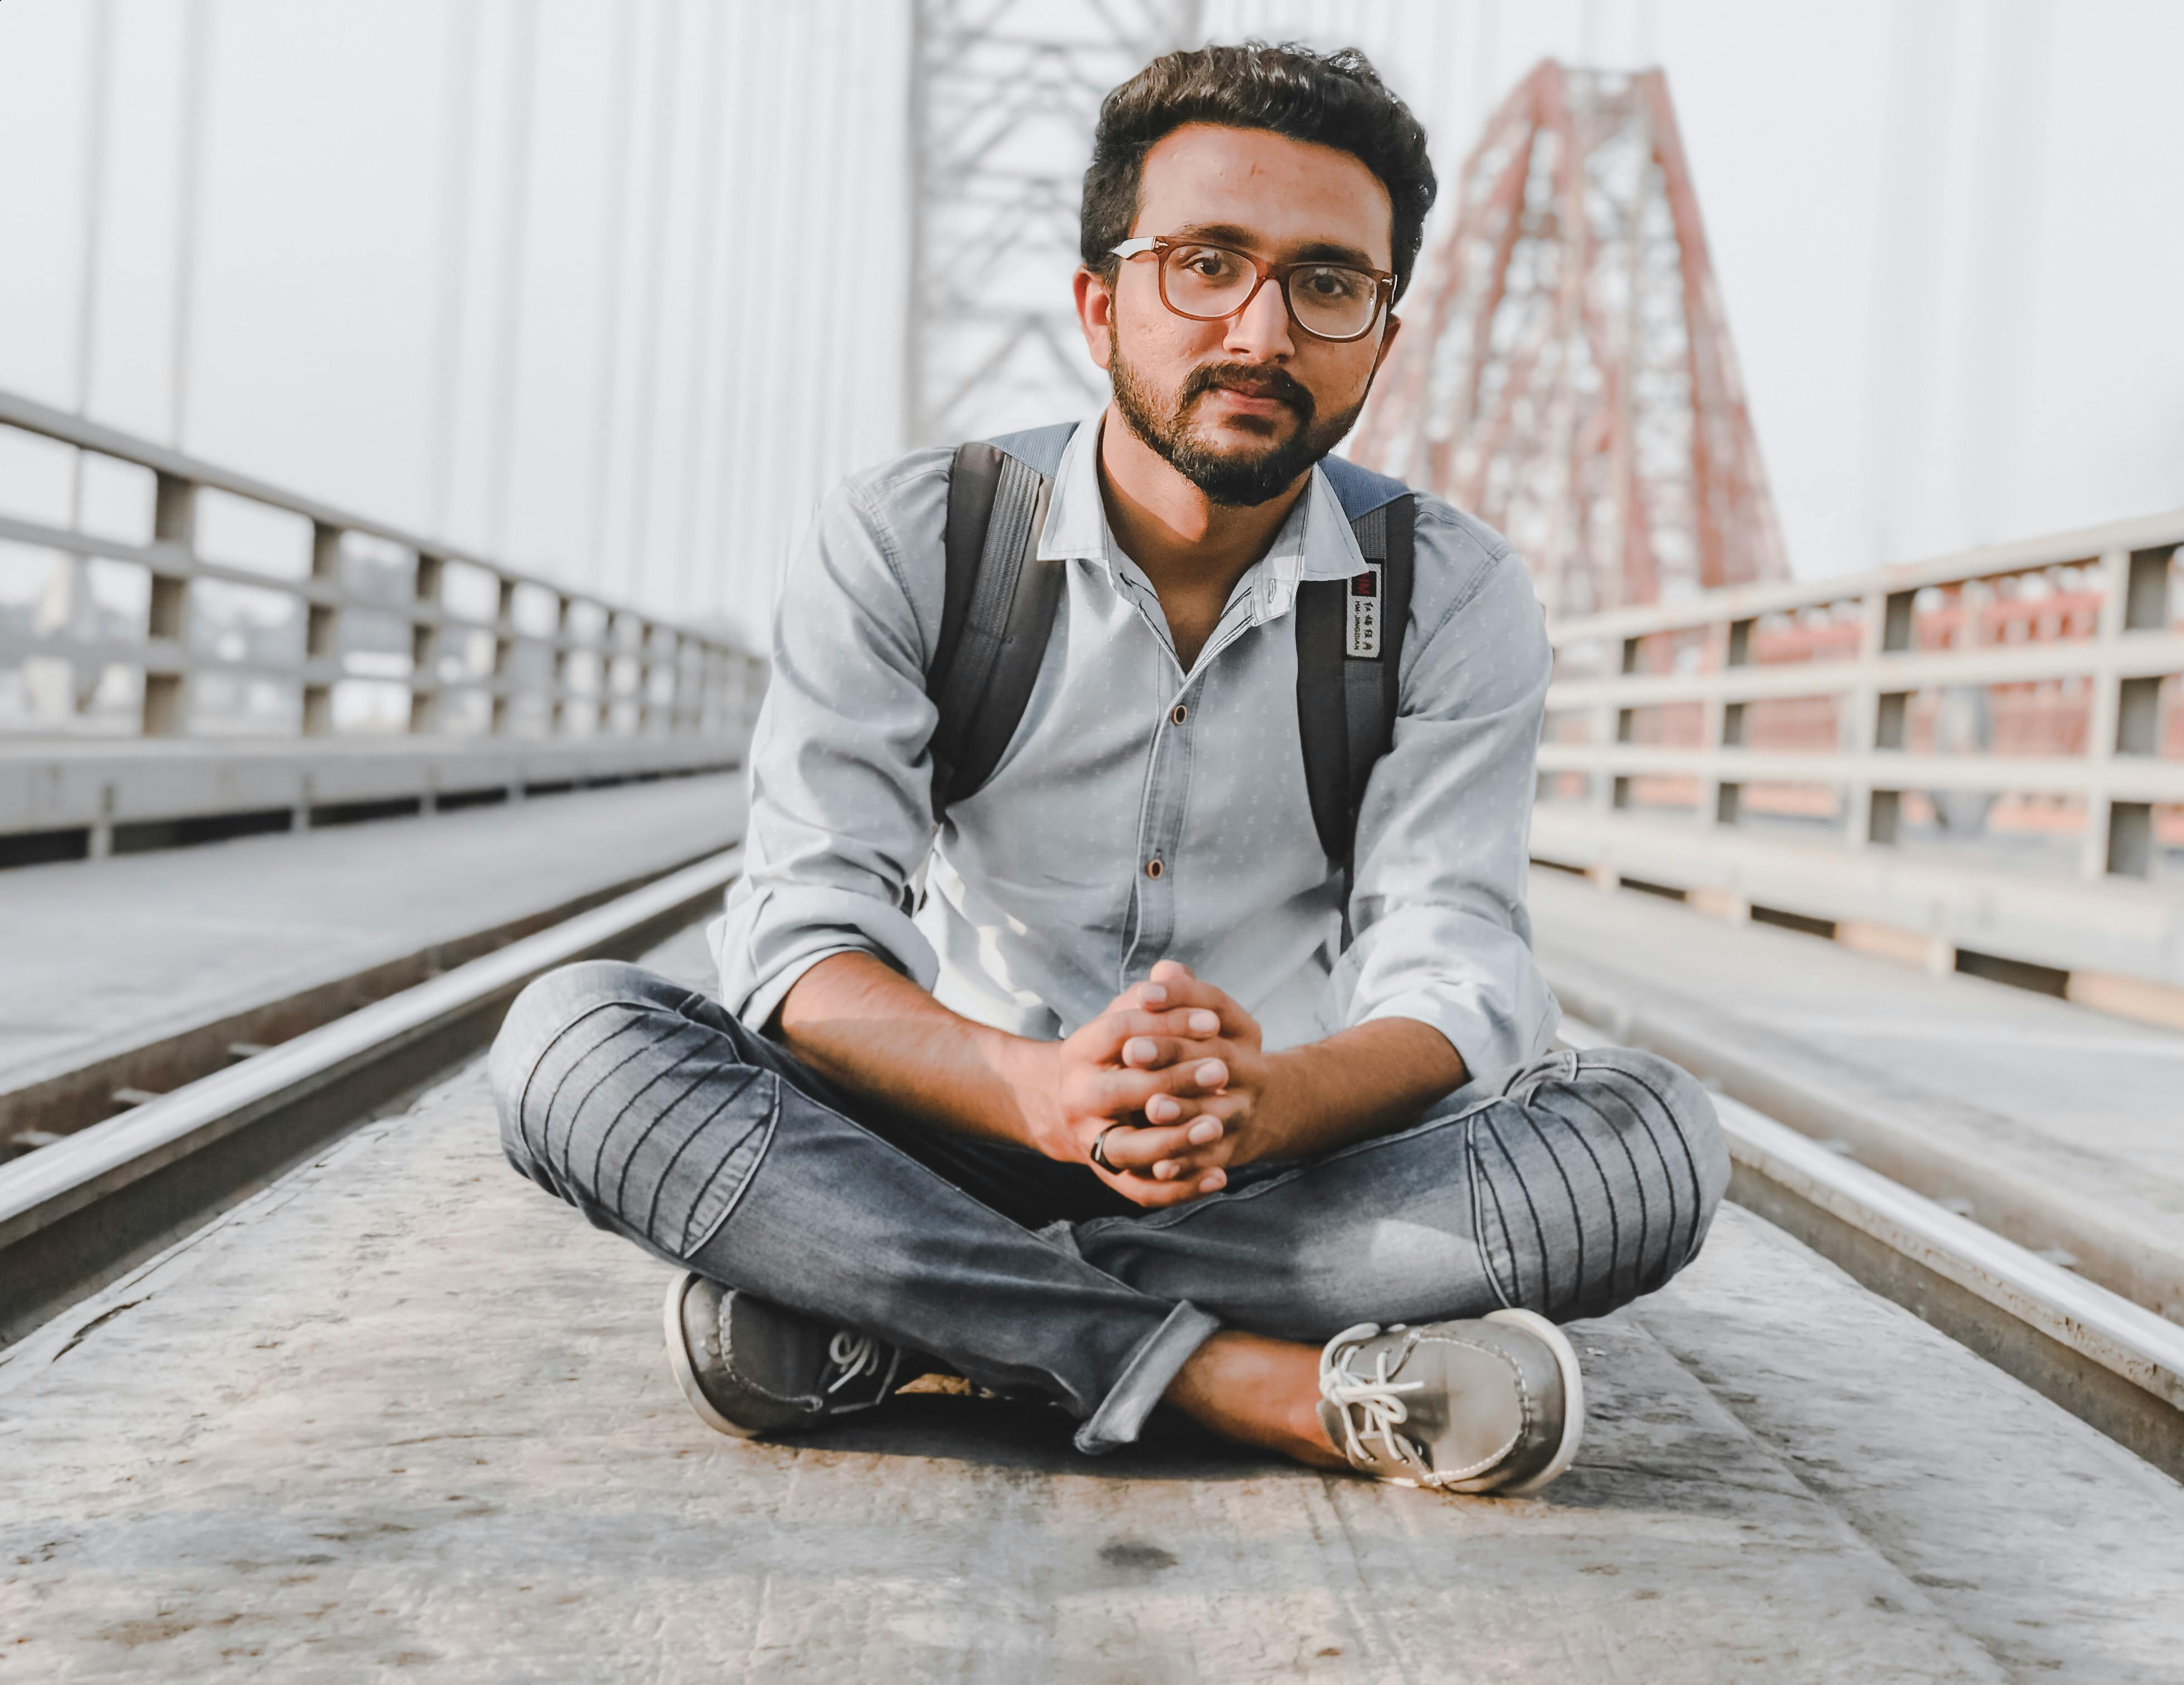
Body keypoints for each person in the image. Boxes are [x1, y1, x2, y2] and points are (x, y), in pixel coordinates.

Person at [490, 42, 1726, 1496]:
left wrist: (1271, 1100)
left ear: (1381, 339)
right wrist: (1035, 1092)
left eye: (1328, 284)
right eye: (1207, 263)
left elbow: (1459, 963)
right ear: (1100, 303)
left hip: (1282, 1159)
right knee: (568, 1046)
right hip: (961, 1118)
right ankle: (1238, 1381)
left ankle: (897, 1306)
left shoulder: (1447, 592)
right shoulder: (916, 541)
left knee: (1651, 1145)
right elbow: (802, 932)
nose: (1261, 331)